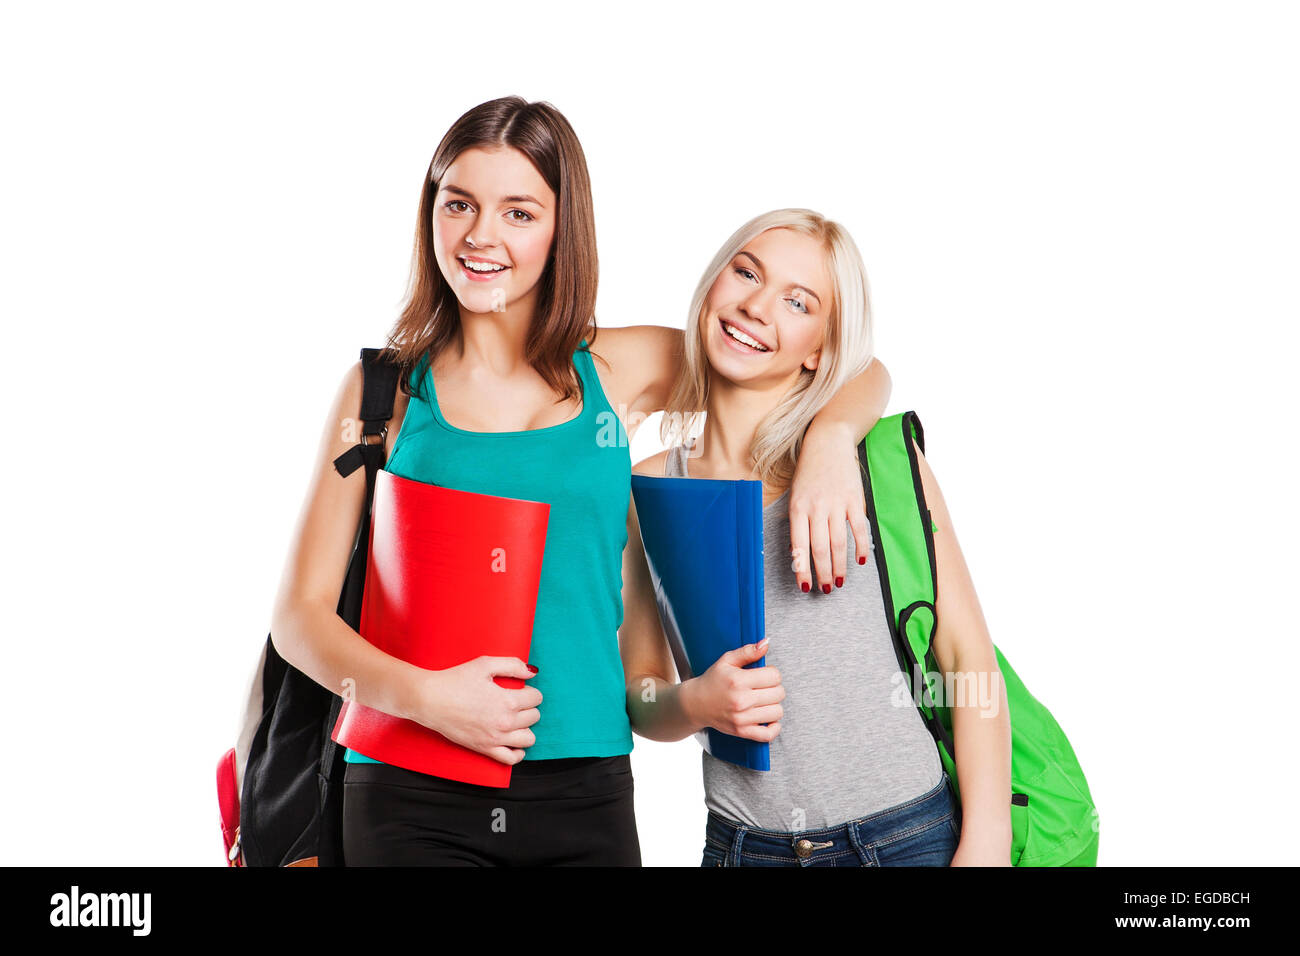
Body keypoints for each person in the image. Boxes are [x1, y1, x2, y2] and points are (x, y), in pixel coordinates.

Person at [270, 99, 895, 866]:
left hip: (586, 788)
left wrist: (831, 441)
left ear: (563, 228)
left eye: (519, 212)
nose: (480, 236)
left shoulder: (615, 371)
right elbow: (298, 620)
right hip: (407, 787)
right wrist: (430, 700)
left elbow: (850, 366)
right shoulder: (384, 392)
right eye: (458, 203)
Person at [621, 209, 1014, 866]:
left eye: (797, 302)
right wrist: (695, 702)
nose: (755, 306)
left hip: (909, 840)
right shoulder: (648, 490)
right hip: (744, 849)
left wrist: (986, 844)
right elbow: (641, 693)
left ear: (821, 350)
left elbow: (967, 657)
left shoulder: (873, 462)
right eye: (746, 272)